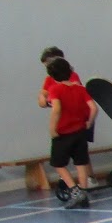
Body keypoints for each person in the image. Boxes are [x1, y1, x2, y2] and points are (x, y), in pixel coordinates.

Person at [44, 57, 97, 208]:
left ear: (52, 75)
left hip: (63, 133)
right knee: (81, 162)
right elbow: (93, 108)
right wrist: (89, 122)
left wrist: (52, 128)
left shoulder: (55, 89)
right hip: (80, 131)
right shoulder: (80, 89)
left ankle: (75, 191)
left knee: (58, 164)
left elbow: (56, 109)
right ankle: (84, 192)